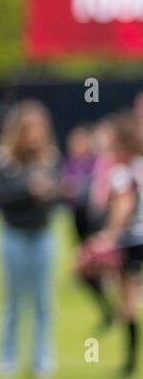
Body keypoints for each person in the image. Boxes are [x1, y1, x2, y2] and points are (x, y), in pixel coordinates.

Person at [0, 101, 61, 379]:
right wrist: (28, 189)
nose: (37, 136)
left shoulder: (49, 158)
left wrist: (50, 192)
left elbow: (58, 197)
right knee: (14, 299)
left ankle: (43, 359)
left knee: (44, 298)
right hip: (13, 233)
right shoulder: (3, 159)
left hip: (42, 233)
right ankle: (7, 357)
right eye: (31, 130)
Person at [85, 111, 141, 378]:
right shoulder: (139, 164)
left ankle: (129, 365)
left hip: (133, 239)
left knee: (127, 299)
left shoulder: (121, 170)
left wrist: (109, 234)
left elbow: (125, 202)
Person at [62, 122, 115, 328]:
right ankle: (109, 309)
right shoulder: (91, 163)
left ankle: (112, 310)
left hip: (105, 223)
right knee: (85, 265)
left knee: (93, 264)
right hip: (83, 217)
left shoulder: (108, 164)